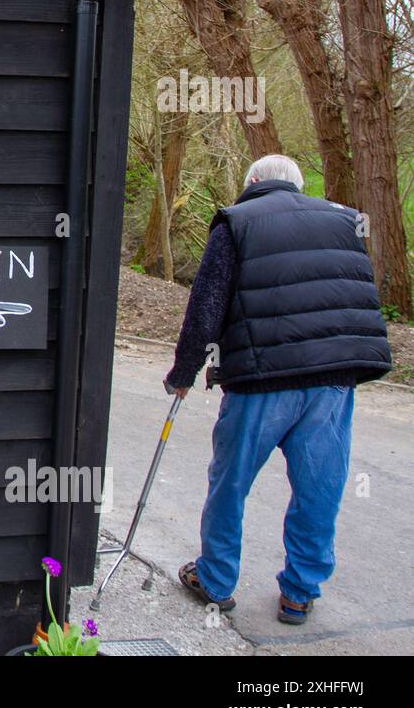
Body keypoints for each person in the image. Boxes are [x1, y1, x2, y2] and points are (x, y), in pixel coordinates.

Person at [163, 154, 391, 624]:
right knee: (319, 488)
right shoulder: (345, 221)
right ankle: (300, 592)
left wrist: (183, 373)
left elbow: (205, 308)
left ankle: (216, 580)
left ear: (254, 182)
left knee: (231, 482)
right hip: (332, 382)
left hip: (260, 381)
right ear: (297, 186)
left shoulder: (237, 221)